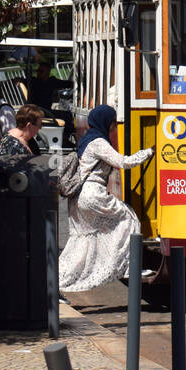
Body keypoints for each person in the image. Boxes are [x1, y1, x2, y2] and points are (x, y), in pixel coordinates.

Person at [59, 105, 154, 292]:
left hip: (78, 198)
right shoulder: (98, 143)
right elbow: (123, 162)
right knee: (129, 218)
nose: (114, 126)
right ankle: (129, 267)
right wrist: (149, 152)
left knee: (82, 241)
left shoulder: (87, 139)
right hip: (92, 193)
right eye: (112, 122)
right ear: (105, 121)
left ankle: (56, 283)